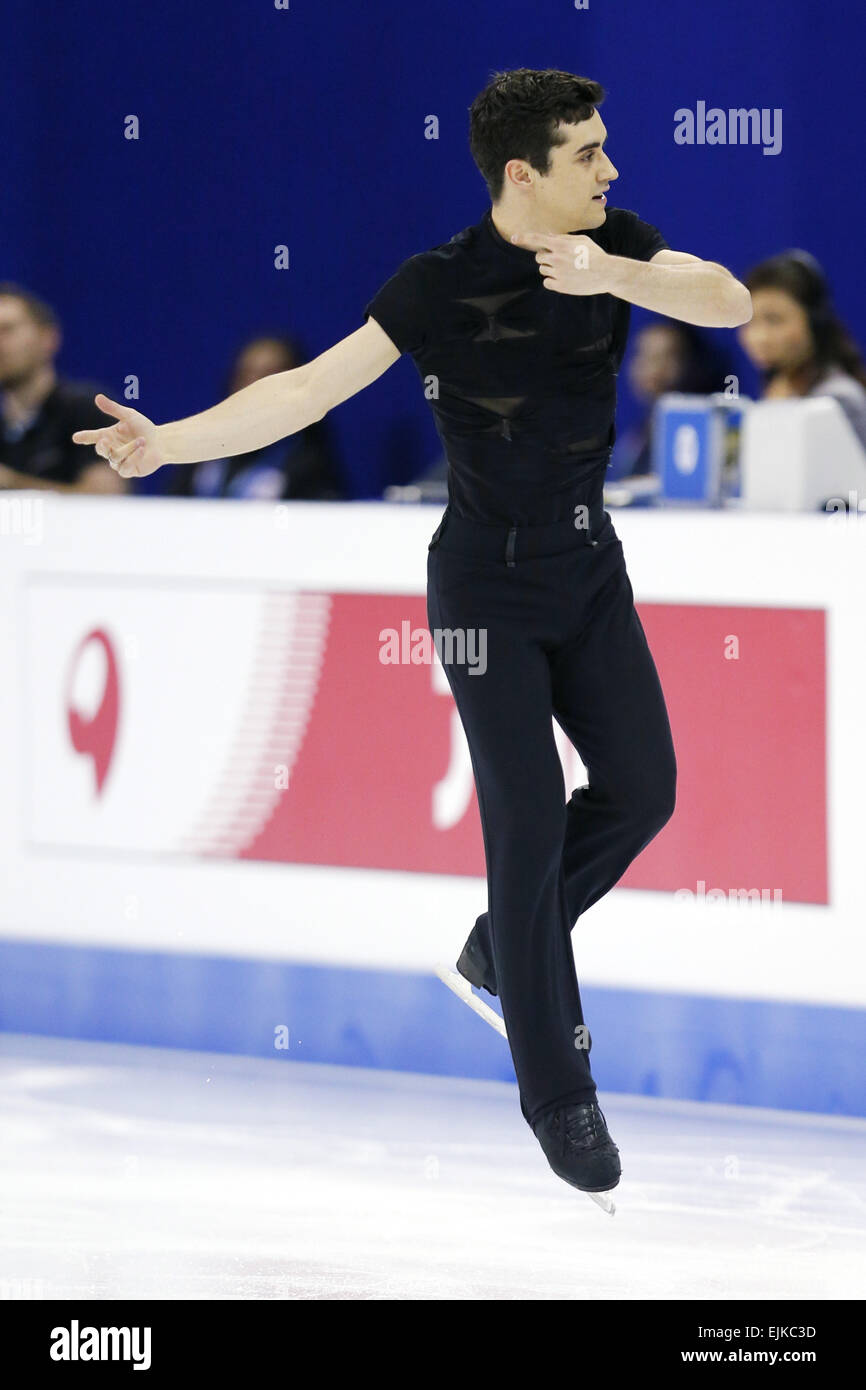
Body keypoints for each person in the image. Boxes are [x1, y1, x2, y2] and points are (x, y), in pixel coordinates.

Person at [70, 67, 751, 1199]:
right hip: (484, 588)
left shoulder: (614, 239)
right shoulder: (434, 284)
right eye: (588, 154)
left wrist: (613, 270)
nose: (611, 170)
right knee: (525, 821)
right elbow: (305, 392)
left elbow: (724, 299)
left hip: (588, 570)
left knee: (643, 789)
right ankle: (558, 1090)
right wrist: (171, 442)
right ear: (521, 172)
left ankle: (499, 947)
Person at [171, 333, 344, 501]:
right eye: (246, 374)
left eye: (268, 376)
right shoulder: (200, 456)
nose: (252, 386)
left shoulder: (312, 467)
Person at [0, 283, 125, 494]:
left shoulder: (87, 409)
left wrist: (10, 482)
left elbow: (105, 497)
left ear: (47, 339)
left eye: (7, 330)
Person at [738, 250, 866, 455]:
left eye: (774, 320)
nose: (759, 336)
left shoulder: (838, 398)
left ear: (814, 322)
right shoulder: (779, 387)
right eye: (749, 321)